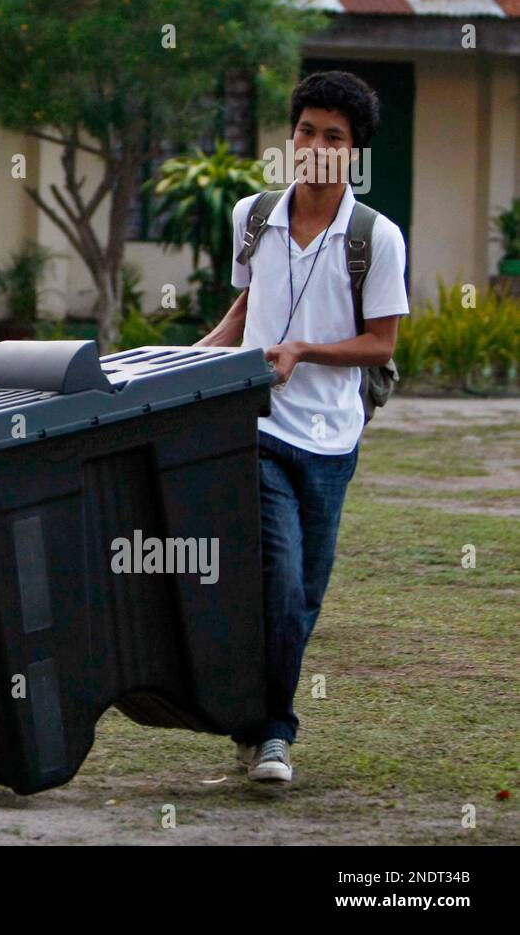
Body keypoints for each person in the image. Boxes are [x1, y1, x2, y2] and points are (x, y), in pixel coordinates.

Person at [198, 70, 409, 784]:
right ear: (291, 137)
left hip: (332, 439)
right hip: (255, 427)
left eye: (334, 137)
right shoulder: (252, 216)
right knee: (279, 582)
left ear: (354, 152)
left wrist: (303, 351)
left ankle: (255, 724)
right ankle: (275, 733)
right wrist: (188, 362)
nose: (316, 146)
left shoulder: (375, 238)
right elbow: (246, 307)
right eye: (306, 131)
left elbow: (381, 342)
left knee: (305, 593)